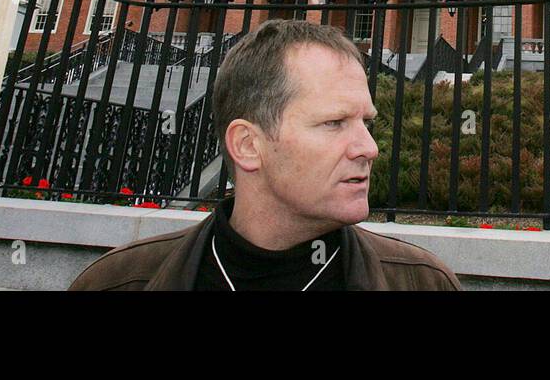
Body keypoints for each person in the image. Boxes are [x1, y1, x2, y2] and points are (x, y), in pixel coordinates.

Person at [69, 19, 460, 291]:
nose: (369, 148)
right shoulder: (119, 281)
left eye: (366, 123)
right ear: (247, 145)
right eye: (334, 123)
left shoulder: (424, 281)